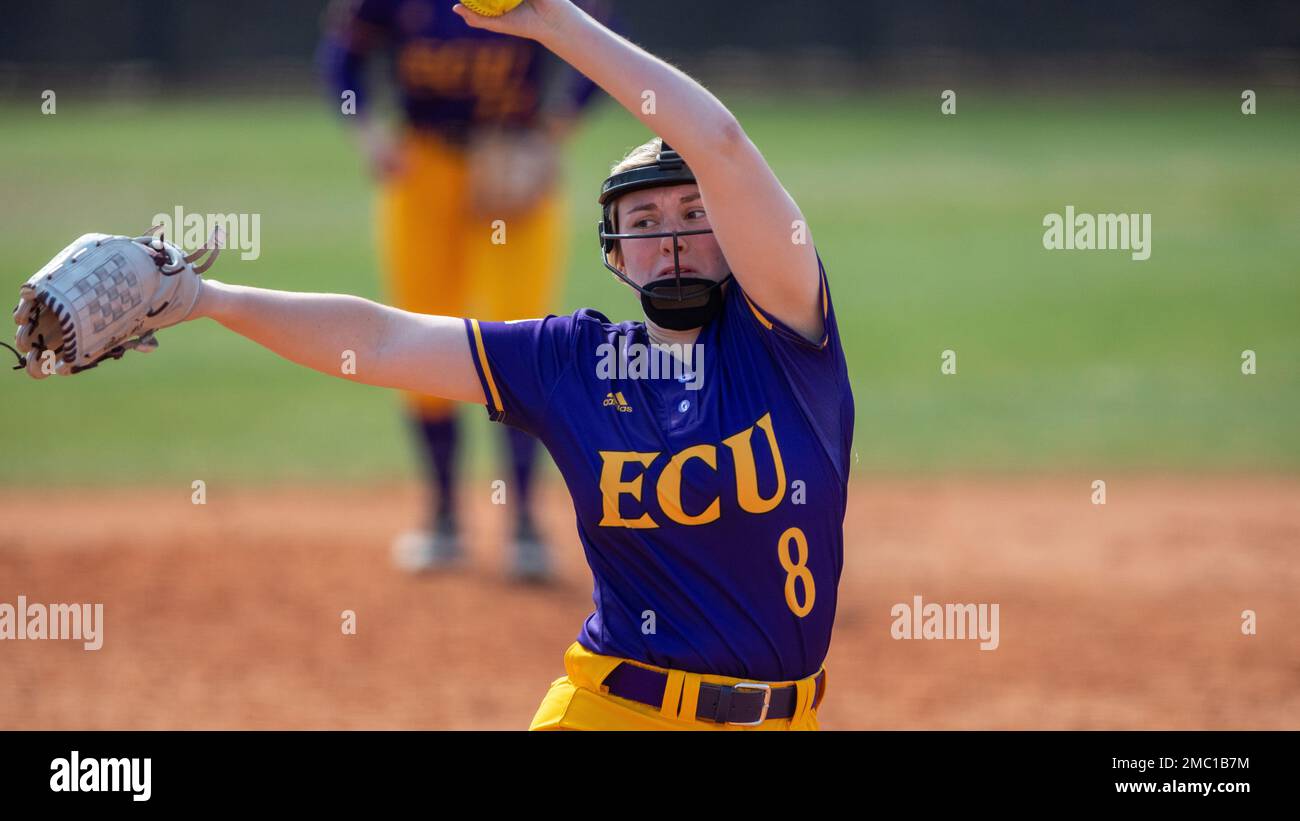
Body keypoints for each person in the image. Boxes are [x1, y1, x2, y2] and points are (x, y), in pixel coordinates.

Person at [19, 0, 853, 729]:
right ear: (616, 255)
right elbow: (380, 341)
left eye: (694, 212)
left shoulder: (788, 336)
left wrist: (551, 20)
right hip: (611, 712)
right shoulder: (576, 359)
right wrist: (208, 298)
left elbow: (721, 143)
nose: (669, 236)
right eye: (644, 219)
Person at [318, 0, 610, 581]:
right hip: (424, 170)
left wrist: (554, 130)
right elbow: (341, 61)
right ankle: (444, 515)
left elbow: (603, 42)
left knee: (520, 335)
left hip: (513, 161)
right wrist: (371, 133)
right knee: (419, 336)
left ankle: (525, 522)